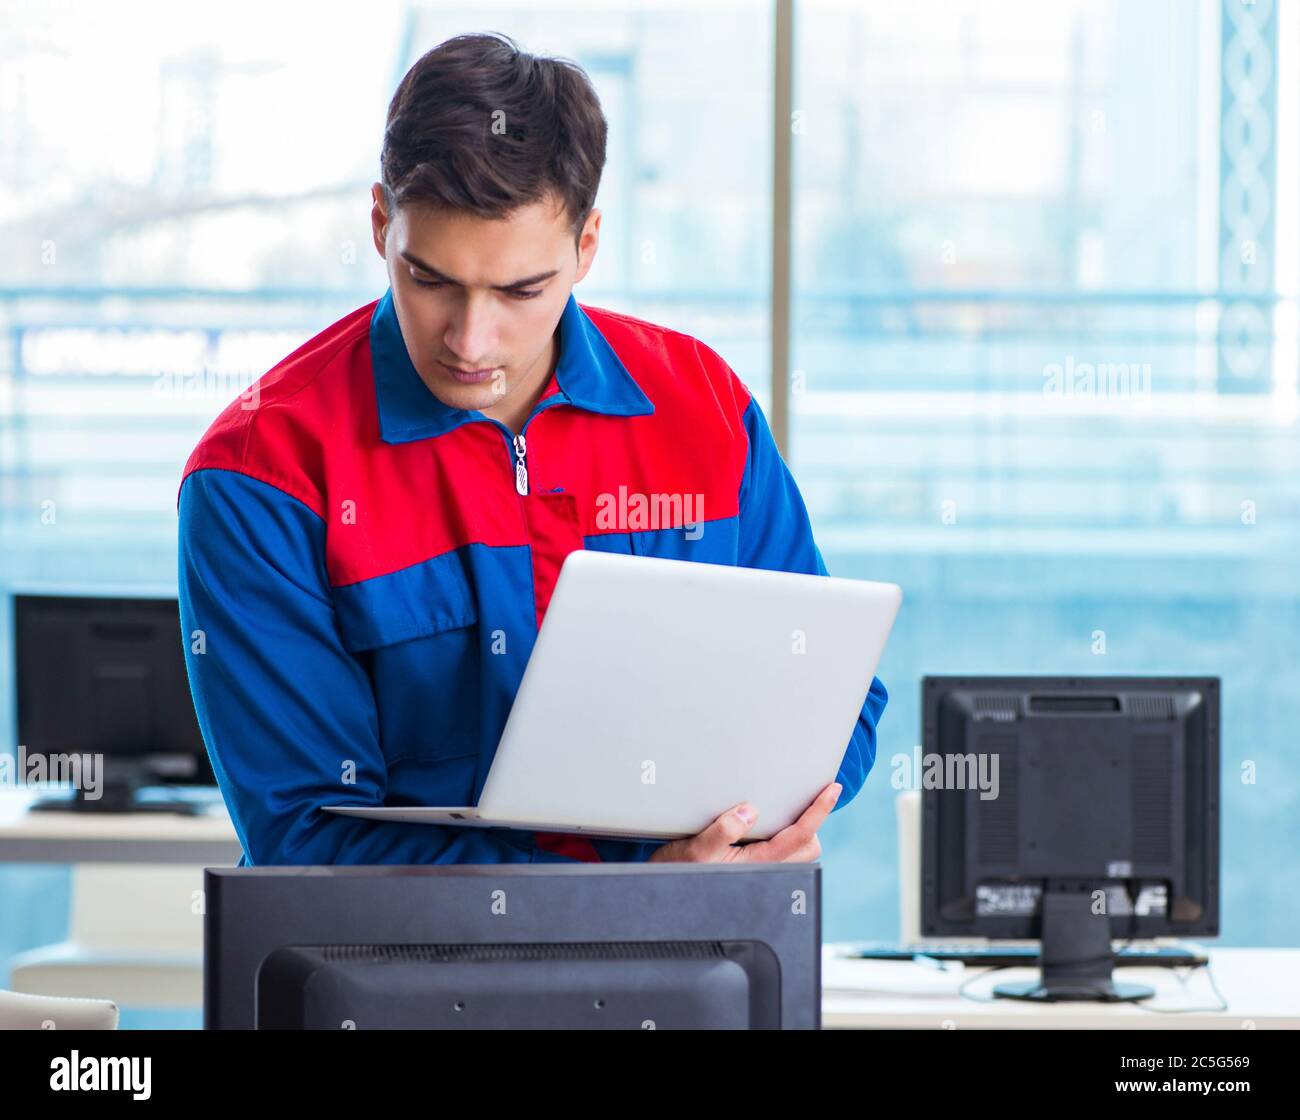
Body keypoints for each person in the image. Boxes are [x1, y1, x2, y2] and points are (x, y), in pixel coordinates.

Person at [176, 31, 888, 867]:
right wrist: (630, 900)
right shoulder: (263, 472)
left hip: (706, 958)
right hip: (397, 988)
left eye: (520, 290)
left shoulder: (704, 407)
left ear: (586, 247)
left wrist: (756, 829)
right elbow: (307, 838)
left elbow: (834, 697)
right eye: (431, 279)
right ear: (380, 226)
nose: (471, 340)